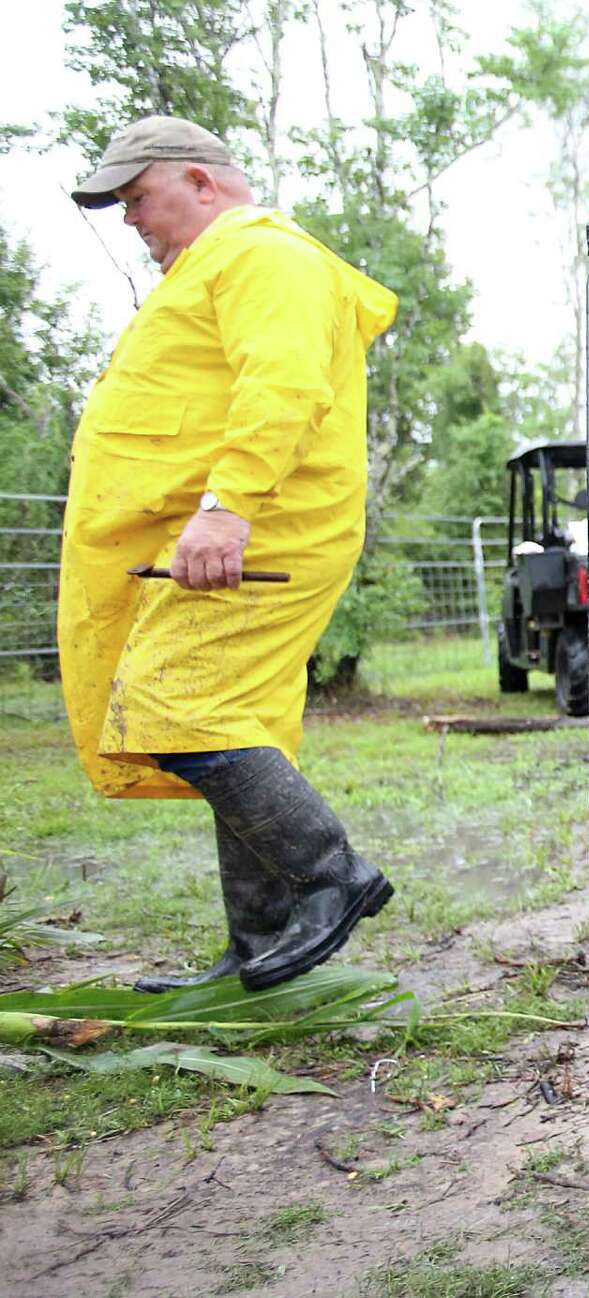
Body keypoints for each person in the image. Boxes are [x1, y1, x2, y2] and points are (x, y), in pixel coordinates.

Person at [61, 115, 400, 993]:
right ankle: (258, 952)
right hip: (232, 534)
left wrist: (225, 507)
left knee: (175, 705)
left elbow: (282, 382)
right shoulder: (221, 264)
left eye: (139, 197)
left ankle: (329, 874)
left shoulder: (261, 251)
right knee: (231, 724)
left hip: (262, 531)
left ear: (200, 183)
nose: (131, 219)